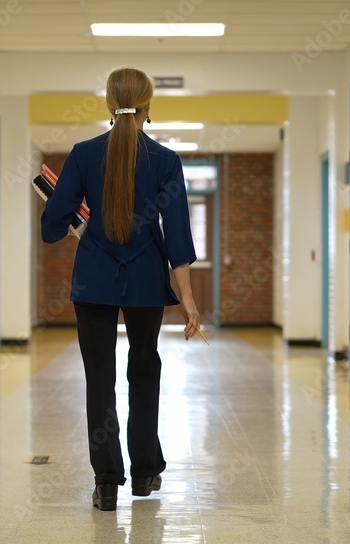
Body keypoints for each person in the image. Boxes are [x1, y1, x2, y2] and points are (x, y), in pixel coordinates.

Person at [40, 67, 201, 511]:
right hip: (148, 280)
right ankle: (145, 472)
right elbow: (180, 238)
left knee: (100, 380)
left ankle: (107, 482)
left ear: (108, 104)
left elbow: (53, 225)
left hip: (94, 280)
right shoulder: (167, 161)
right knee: (144, 373)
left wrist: (65, 213)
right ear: (149, 104)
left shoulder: (83, 154)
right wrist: (187, 298)